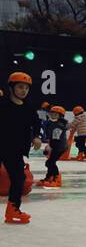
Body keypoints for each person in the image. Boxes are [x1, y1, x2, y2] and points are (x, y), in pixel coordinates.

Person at [2, 72, 42, 224]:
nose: (24, 91)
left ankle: (12, 211)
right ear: (11, 88)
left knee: (18, 179)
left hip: (15, 151)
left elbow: (36, 123)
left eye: (26, 88)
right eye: (20, 87)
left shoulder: (28, 108)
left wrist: (37, 136)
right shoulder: (3, 104)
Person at [38, 106, 69, 188]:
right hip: (55, 145)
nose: (53, 116)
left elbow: (55, 138)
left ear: (60, 116)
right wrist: (49, 145)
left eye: (55, 114)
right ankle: (49, 177)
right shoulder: (50, 122)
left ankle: (56, 178)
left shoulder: (59, 125)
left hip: (60, 146)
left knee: (50, 162)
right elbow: (49, 136)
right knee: (50, 162)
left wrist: (49, 147)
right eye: (52, 114)